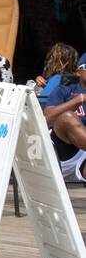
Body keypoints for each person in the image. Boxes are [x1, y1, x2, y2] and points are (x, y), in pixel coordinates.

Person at [42, 53, 86, 184]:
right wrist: (79, 100)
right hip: (64, 152)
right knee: (67, 117)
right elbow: (46, 118)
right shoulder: (64, 90)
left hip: (83, 158)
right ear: (78, 72)